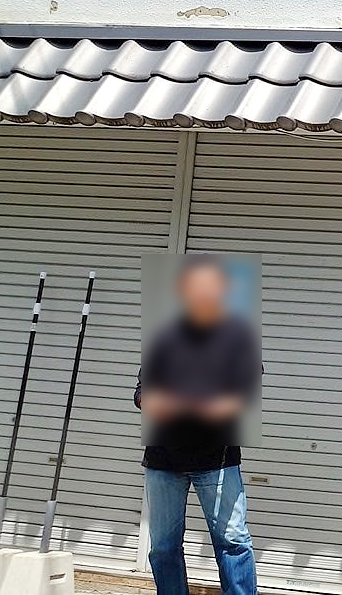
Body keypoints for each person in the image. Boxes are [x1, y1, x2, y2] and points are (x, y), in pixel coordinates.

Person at [135, 255, 262, 595]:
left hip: (216, 461)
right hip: (163, 460)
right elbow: (142, 393)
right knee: (162, 547)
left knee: (233, 542)